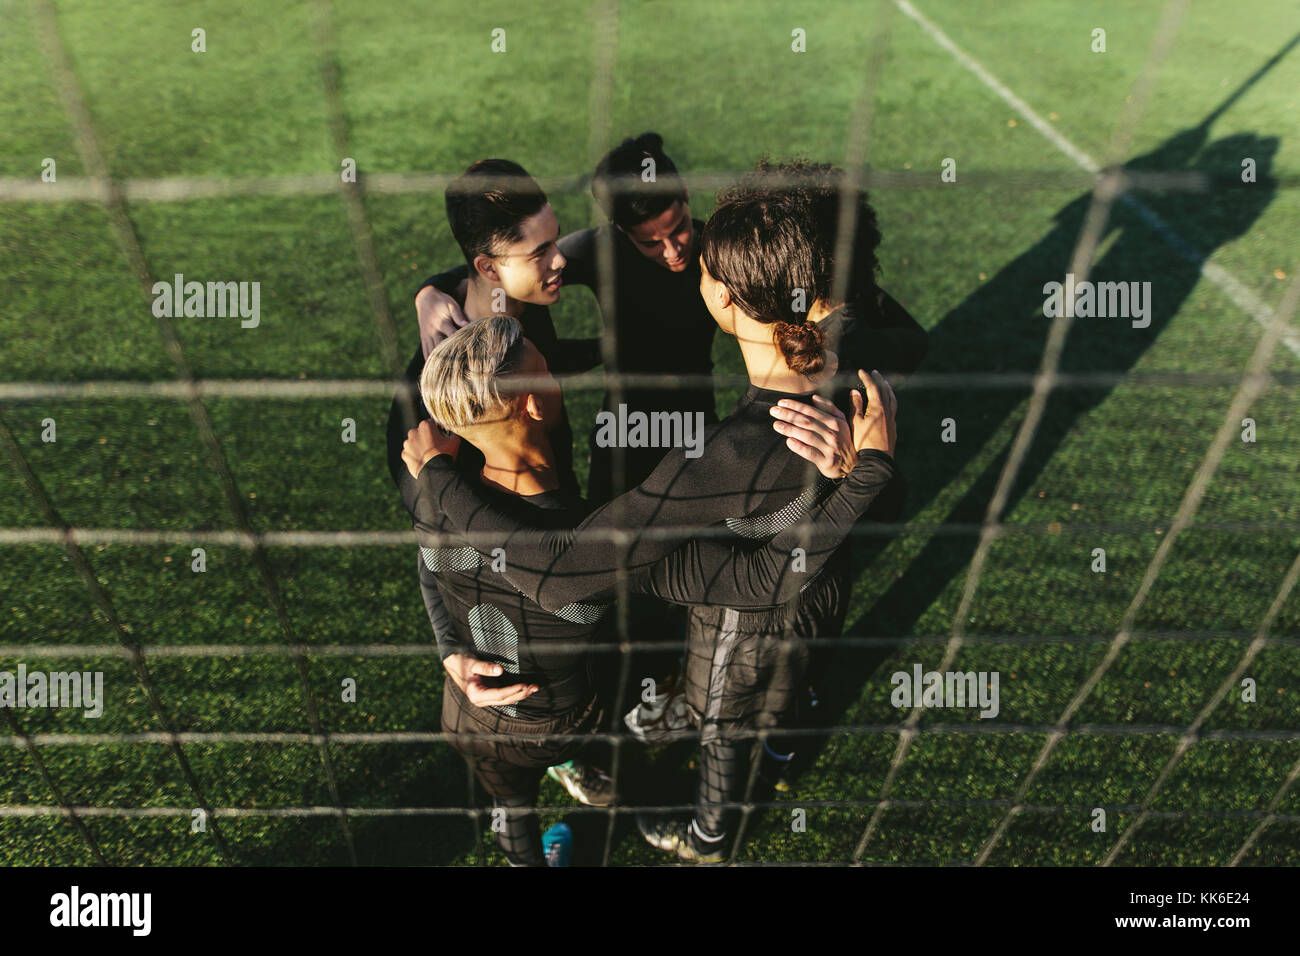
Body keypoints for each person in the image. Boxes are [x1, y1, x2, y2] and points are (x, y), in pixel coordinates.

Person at [402, 183, 907, 861]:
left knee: (723, 718)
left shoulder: (723, 459)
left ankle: (712, 828)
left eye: (699, 259)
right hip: (818, 591)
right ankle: (781, 734)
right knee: (776, 694)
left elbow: (560, 576)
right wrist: (862, 475)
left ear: (725, 298)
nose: (682, 257)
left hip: (751, 616)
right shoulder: (849, 371)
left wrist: (437, 482)